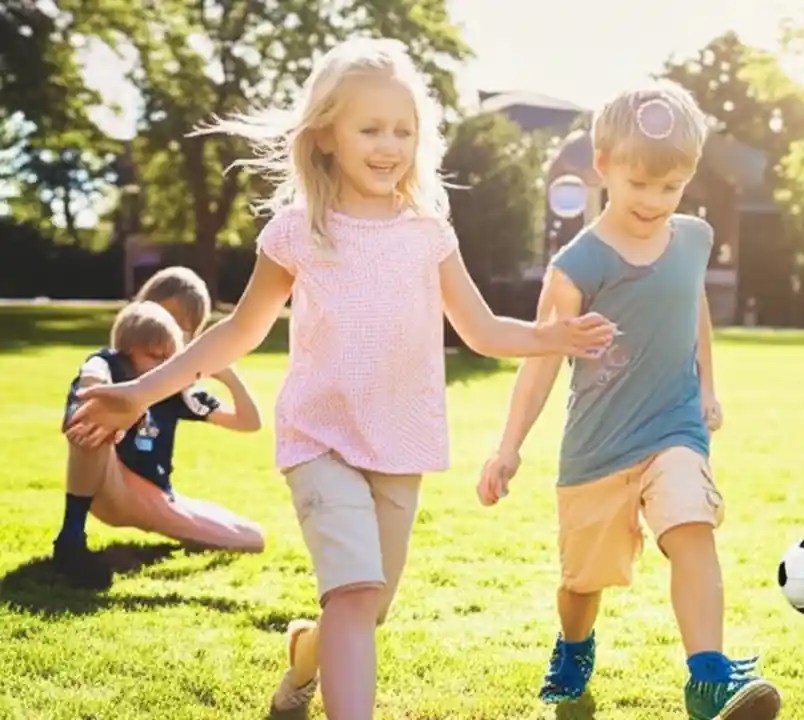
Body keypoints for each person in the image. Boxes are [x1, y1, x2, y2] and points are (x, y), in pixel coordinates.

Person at [66, 38, 616, 720]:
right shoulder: (298, 231)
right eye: (371, 129)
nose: (389, 146)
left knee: (368, 605)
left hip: (399, 446)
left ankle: (306, 654)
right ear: (326, 135)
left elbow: (478, 329)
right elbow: (239, 332)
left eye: (403, 131)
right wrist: (139, 392)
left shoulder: (428, 233)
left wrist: (550, 336)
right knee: (354, 595)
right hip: (319, 441)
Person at [476, 82, 781, 720]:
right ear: (603, 164)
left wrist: (707, 386)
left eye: (671, 186)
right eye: (640, 183)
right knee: (581, 584)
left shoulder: (693, 239)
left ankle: (708, 679)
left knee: (692, 526)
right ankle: (574, 644)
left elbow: (693, 306)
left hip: (674, 428)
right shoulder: (578, 265)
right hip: (598, 447)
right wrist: (508, 448)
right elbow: (541, 357)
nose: (655, 200)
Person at [54, 300, 263, 589]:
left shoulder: (174, 390)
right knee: (94, 421)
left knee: (252, 539)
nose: (162, 367)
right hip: (108, 482)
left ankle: (190, 510)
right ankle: (71, 537)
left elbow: (249, 422)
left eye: (169, 360)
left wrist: (227, 374)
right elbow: (92, 377)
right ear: (126, 351)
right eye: (154, 356)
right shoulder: (107, 366)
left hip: (152, 497)